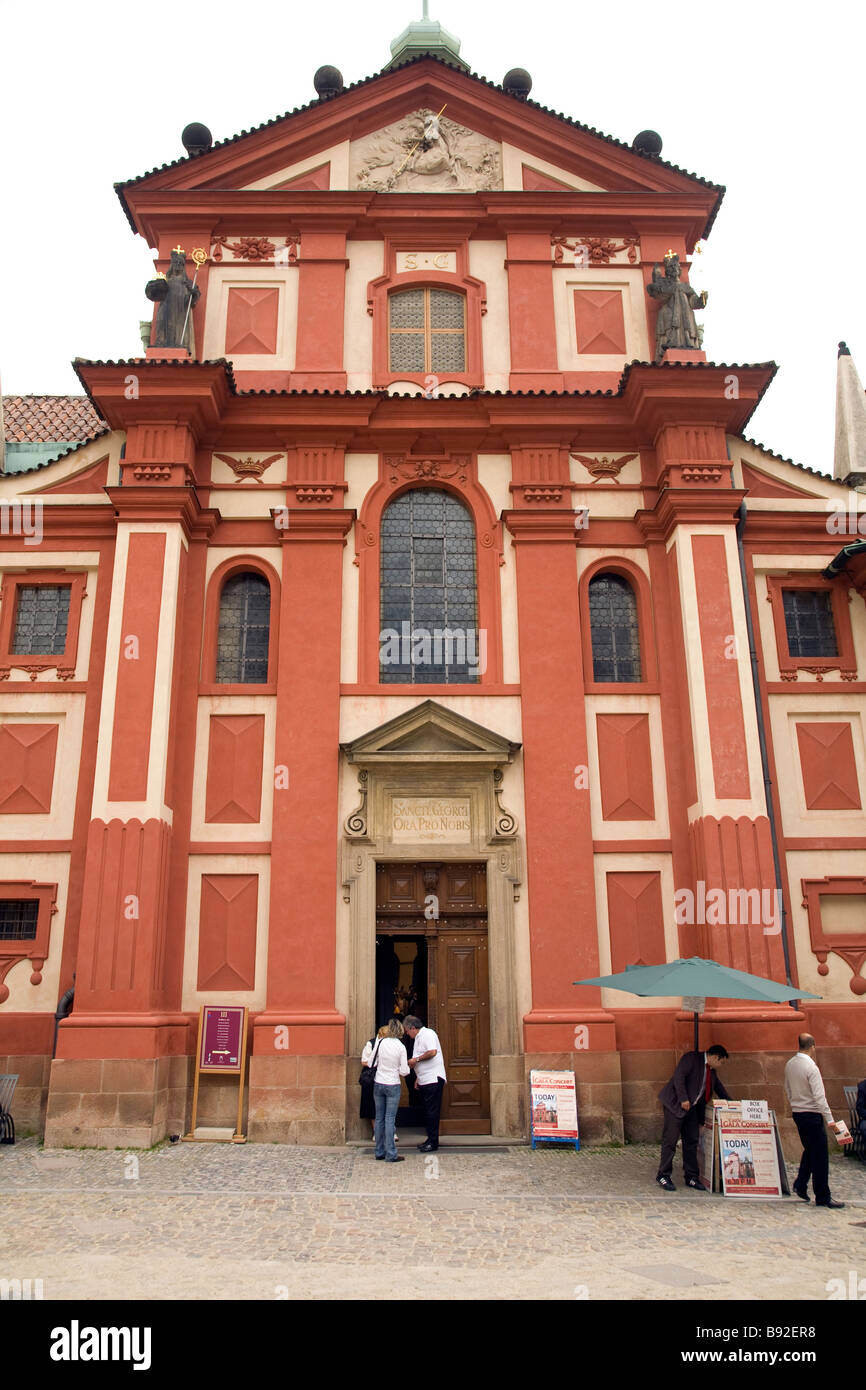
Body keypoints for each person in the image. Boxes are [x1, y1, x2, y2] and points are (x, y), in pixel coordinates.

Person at [656, 1043, 730, 1191]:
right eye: (721, 1062)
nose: (721, 1065)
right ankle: (663, 1175)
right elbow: (679, 1077)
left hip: (692, 1110)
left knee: (691, 1141)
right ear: (715, 1057)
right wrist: (683, 1098)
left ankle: (691, 1177)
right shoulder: (691, 1059)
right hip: (675, 1104)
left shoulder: (711, 1072)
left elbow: (718, 1089)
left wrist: (733, 1105)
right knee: (670, 1140)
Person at [784, 1034, 846, 1208]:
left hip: (798, 1112)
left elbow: (787, 1088)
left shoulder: (790, 1064)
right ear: (812, 1046)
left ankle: (801, 1183)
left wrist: (794, 1103)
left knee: (810, 1150)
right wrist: (830, 1119)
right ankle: (822, 1196)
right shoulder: (811, 1067)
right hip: (812, 1113)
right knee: (820, 1156)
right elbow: (820, 1097)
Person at [404, 1015, 446, 1153]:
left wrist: (416, 1059)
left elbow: (432, 1052)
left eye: (407, 1030)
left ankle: (433, 1142)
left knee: (432, 1111)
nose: (406, 1033)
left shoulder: (428, 1034)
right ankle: (430, 1139)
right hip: (425, 1078)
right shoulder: (419, 1037)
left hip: (433, 1079)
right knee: (428, 1111)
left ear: (413, 1028)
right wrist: (418, 1077)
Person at [373, 1018, 409, 1163]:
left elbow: (371, 1062)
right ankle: (391, 1153)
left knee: (379, 1118)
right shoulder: (401, 1047)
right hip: (393, 1083)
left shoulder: (380, 1042)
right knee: (389, 1119)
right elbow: (405, 1071)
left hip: (378, 1083)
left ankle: (379, 1151)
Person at [360, 1025, 390, 1142]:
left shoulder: (393, 1046)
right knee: (373, 1106)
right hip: (372, 1079)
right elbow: (364, 1061)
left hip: (386, 1077)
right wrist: (376, 1063)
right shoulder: (371, 1044)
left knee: (389, 1105)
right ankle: (377, 1132)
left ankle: (390, 1131)